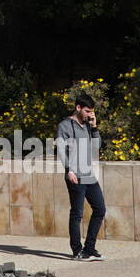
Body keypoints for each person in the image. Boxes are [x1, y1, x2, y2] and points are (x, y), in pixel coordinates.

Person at [57, 90, 105, 260]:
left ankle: (89, 248)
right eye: (87, 111)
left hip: (88, 174)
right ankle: (77, 251)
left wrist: (94, 127)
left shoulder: (87, 126)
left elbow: (95, 148)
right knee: (77, 213)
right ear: (78, 107)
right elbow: (61, 151)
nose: (90, 114)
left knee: (100, 209)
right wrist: (69, 170)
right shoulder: (64, 126)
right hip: (74, 174)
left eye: (92, 111)